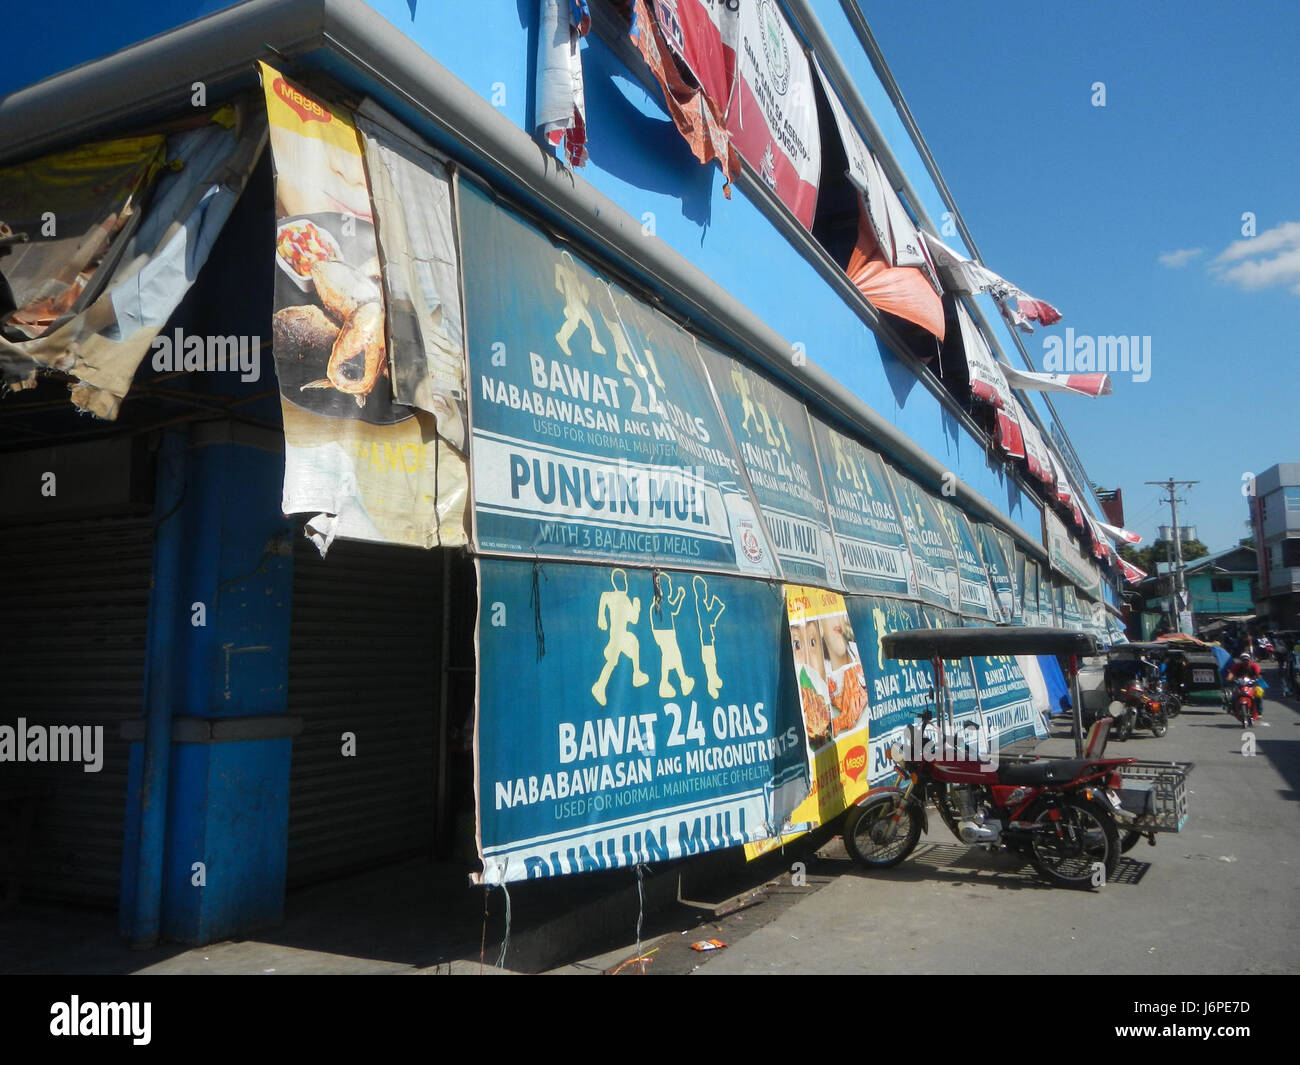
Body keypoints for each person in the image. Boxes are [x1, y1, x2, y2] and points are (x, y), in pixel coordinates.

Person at [1224, 653, 1263, 718]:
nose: (1245, 662)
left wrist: (1258, 678)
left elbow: (1258, 674)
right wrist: (1229, 679)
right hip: (1240, 684)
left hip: (1251, 684)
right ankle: (1233, 709)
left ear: (1249, 660)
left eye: (1247, 660)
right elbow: (1231, 674)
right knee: (1233, 695)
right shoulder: (1237, 666)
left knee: (1258, 694)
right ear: (1241, 661)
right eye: (1243, 660)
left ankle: (1259, 712)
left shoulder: (1254, 666)